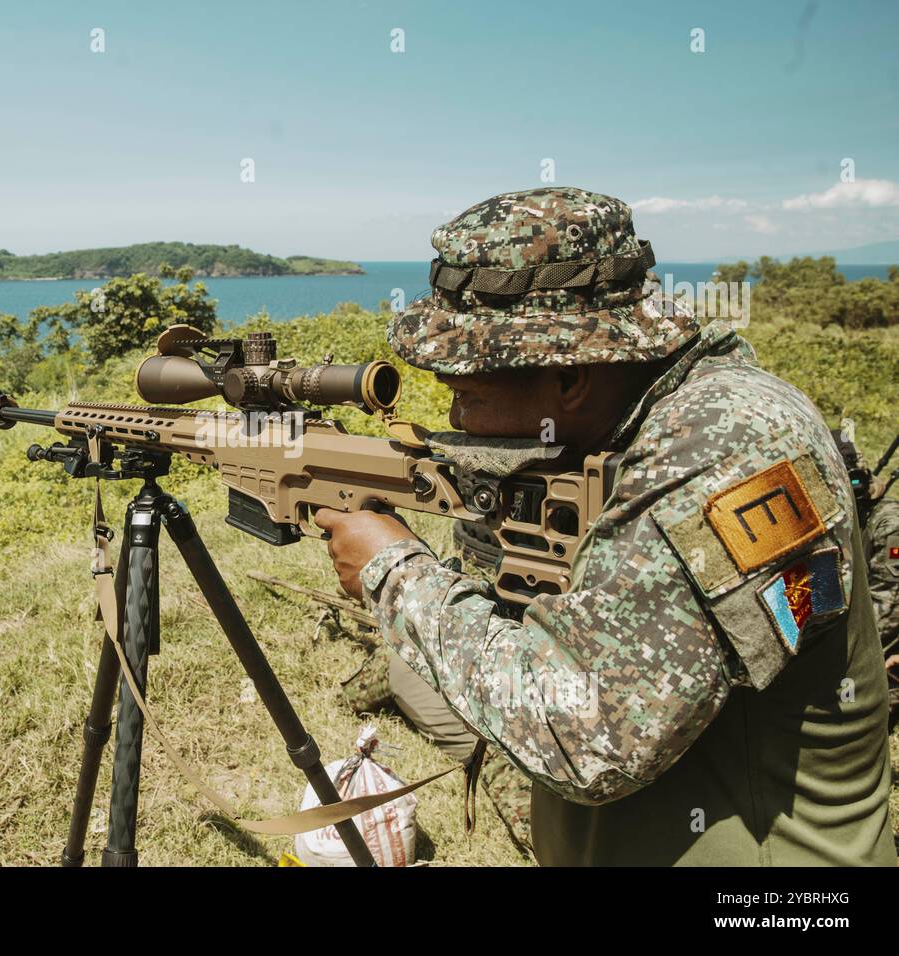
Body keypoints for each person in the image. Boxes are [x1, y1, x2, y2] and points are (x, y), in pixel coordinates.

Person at [315, 186, 896, 866]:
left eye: (468, 387)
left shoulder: (729, 445)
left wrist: (396, 574)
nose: (457, 415)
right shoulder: (634, 435)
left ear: (569, 376)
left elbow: (586, 738)